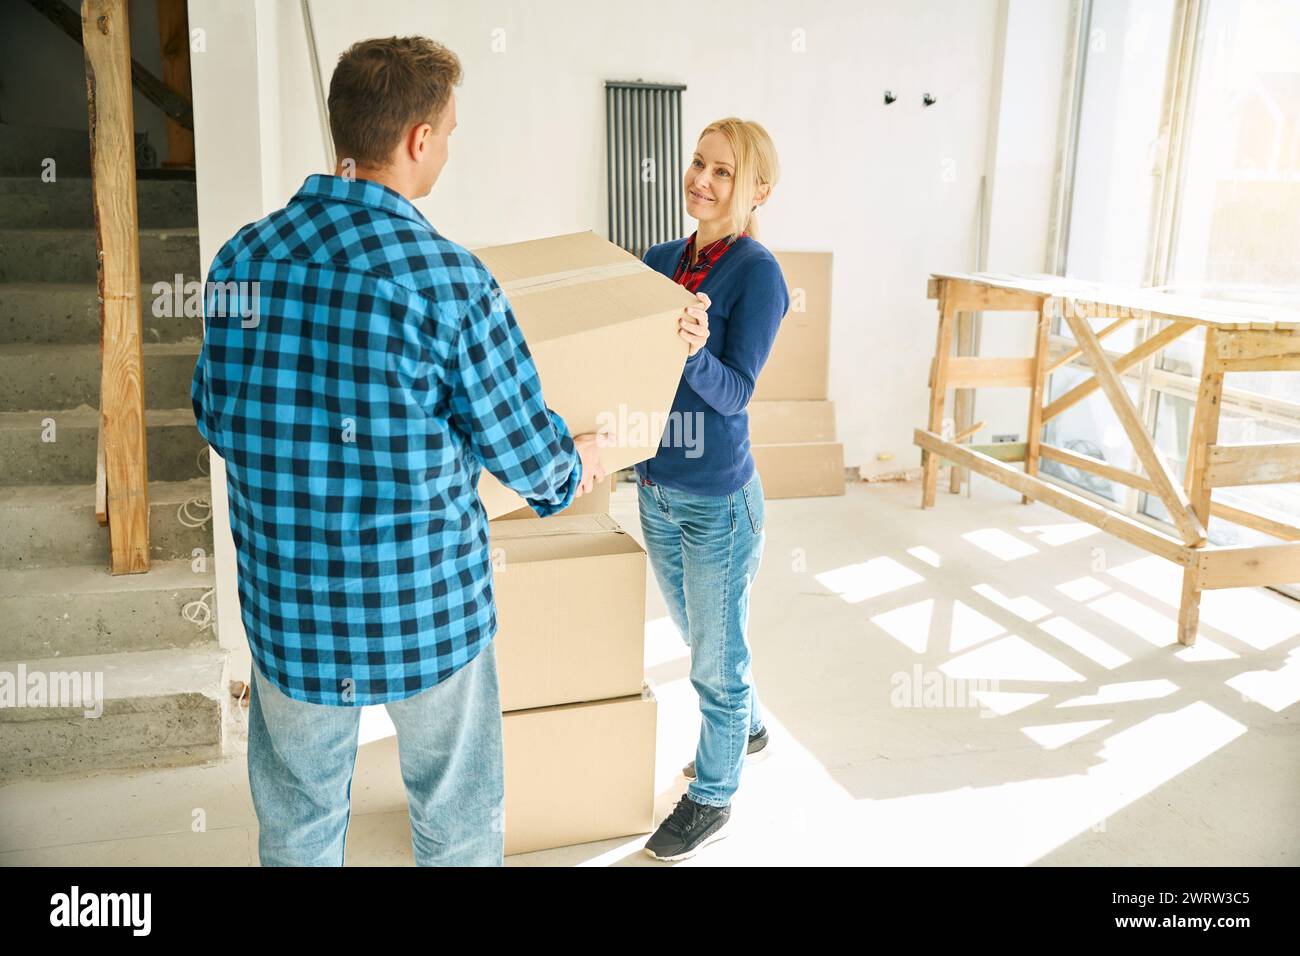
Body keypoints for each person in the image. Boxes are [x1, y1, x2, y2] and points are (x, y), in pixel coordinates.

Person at [190, 36, 617, 866]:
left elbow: (216, 415)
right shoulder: (450, 281)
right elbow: (526, 453)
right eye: (448, 131)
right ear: (417, 139)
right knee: (456, 818)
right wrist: (576, 466)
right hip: (426, 608)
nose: (449, 146)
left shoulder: (242, 258)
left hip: (293, 611)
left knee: (300, 821)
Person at [636, 118, 789, 861]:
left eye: (723, 172)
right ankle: (750, 725)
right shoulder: (660, 259)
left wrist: (693, 350)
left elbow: (734, 393)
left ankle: (714, 795)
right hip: (656, 487)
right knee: (702, 636)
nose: (702, 178)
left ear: (756, 189)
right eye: (698, 163)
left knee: (712, 660)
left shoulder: (758, 274)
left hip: (718, 502)